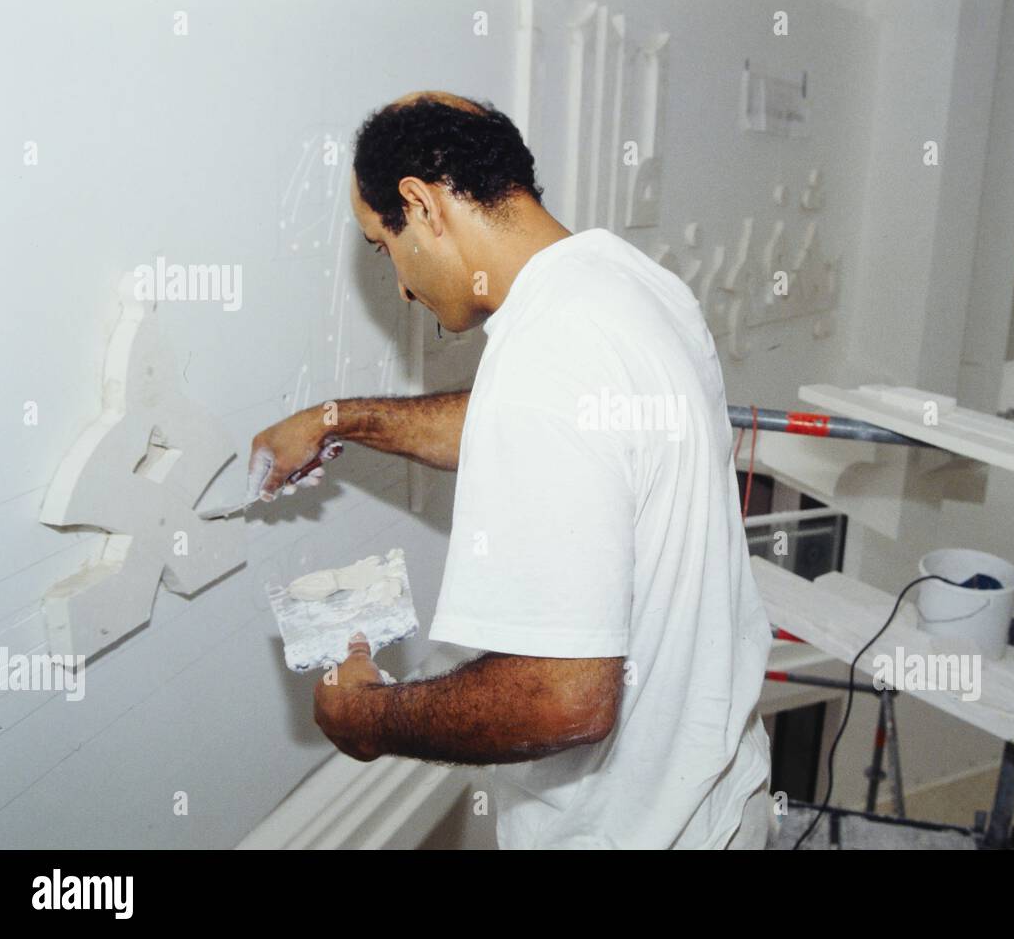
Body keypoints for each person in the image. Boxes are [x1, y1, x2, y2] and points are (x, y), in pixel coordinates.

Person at [249, 91, 773, 849]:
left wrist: (365, 717)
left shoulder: (546, 359)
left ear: (421, 206)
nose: (397, 283)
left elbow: (565, 701)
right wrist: (341, 419)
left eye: (381, 245)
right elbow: (543, 428)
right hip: (721, 801)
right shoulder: (624, 282)